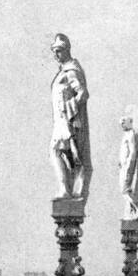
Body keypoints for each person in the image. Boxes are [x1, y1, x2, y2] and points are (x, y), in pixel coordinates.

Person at [49, 34, 91, 200]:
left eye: (58, 51)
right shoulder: (63, 72)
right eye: (54, 51)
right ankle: (69, 190)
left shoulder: (71, 71)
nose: (55, 55)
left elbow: (83, 93)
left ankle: (66, 190)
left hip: (68, 121)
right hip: (61, 121)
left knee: (56, 151)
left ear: (67, 50)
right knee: (66, 156)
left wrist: (70, 109)